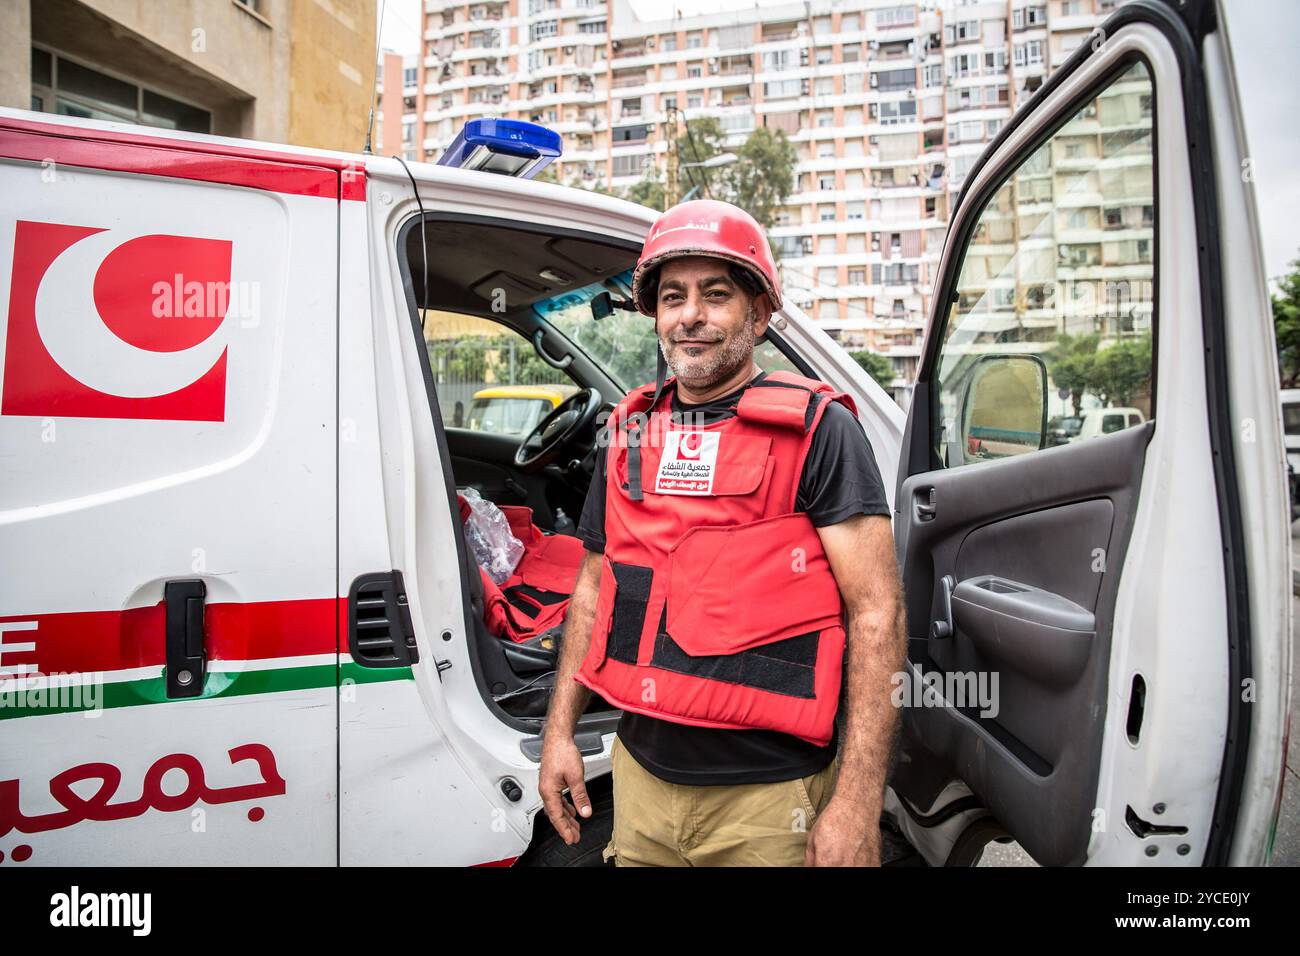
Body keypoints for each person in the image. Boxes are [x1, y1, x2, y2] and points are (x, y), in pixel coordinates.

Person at [538, 199, 906, 866]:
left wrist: (856, 802)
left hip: (770, 799)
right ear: (656, 316)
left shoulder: (821, 433)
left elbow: (877, 613)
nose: (691, 316)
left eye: (717, 294)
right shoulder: (628, 435)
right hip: (641, 780)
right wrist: (558, 731)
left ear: (759, 315)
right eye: (673, 297)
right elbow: (594, 584)